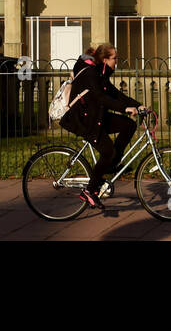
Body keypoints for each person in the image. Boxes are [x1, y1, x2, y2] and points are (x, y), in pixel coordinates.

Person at [59, 43, 141, 209]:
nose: (117, 62)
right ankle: (90, 191)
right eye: (115, 58)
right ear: (105, 59)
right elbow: (100, 98)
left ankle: (111, 165)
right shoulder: (91, 74)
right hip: (84, 120)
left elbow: (114, 94)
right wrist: (125, 108)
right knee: (107, 150)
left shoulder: (100, 72)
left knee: (128, 125)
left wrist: (138, 106)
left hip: (96, 115)